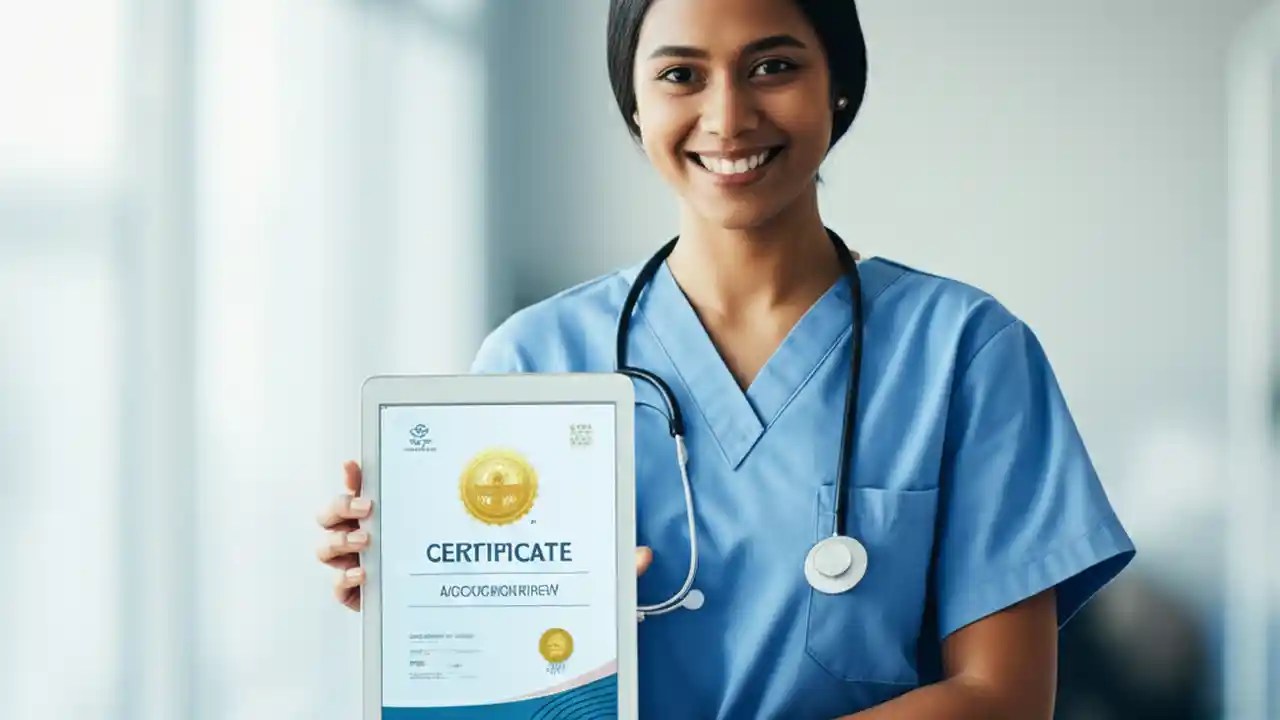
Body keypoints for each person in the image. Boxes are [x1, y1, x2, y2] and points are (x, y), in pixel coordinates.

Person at [315, 0, 1136, 717]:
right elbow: (508, 683)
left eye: (773, 66)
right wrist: (419, 593)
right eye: (680, 75)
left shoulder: (965, 352)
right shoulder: (535, 358)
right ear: (633, 103)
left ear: (838, 87)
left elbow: (1003, 698)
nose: (729, 116)